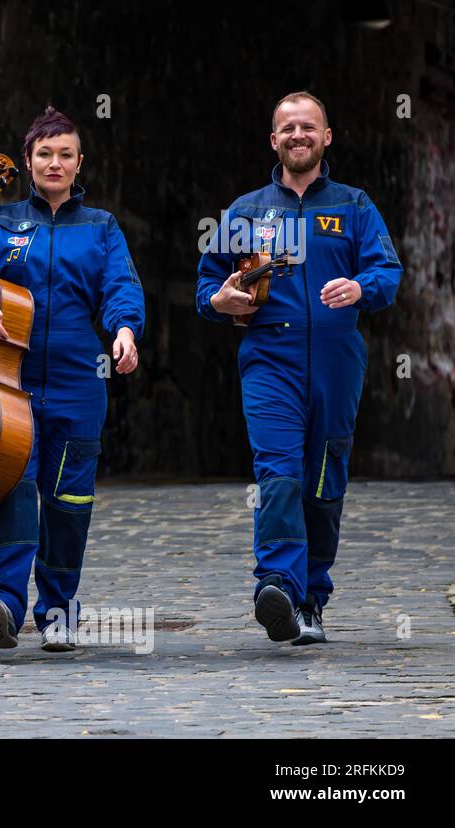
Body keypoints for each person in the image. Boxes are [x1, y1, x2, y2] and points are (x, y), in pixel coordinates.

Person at [0, 106, 145, 651]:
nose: (54, 163)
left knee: (70, 502)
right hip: (8, 387)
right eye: (44, 154)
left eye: (65, 154)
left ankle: (58, 611)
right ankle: (3, 600)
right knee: (13, 490)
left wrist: (123, 329)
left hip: (77, 385)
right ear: (27, 161)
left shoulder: (100, 228)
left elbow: (121, 287)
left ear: (78, 163)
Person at [197, 91, 402, 646]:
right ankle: (278, 586)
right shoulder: (246, 212)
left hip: (337, 364)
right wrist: (219, 302)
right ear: (273, 140)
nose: (298, 136)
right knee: (278, 473)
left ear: (326, 136)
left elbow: (387, 273)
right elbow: (206, 285)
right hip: (270, 362)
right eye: (287, 128)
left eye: (308, 127)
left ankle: (311, 597)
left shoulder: (354, 206)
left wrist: (361, 286)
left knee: (323, 481)